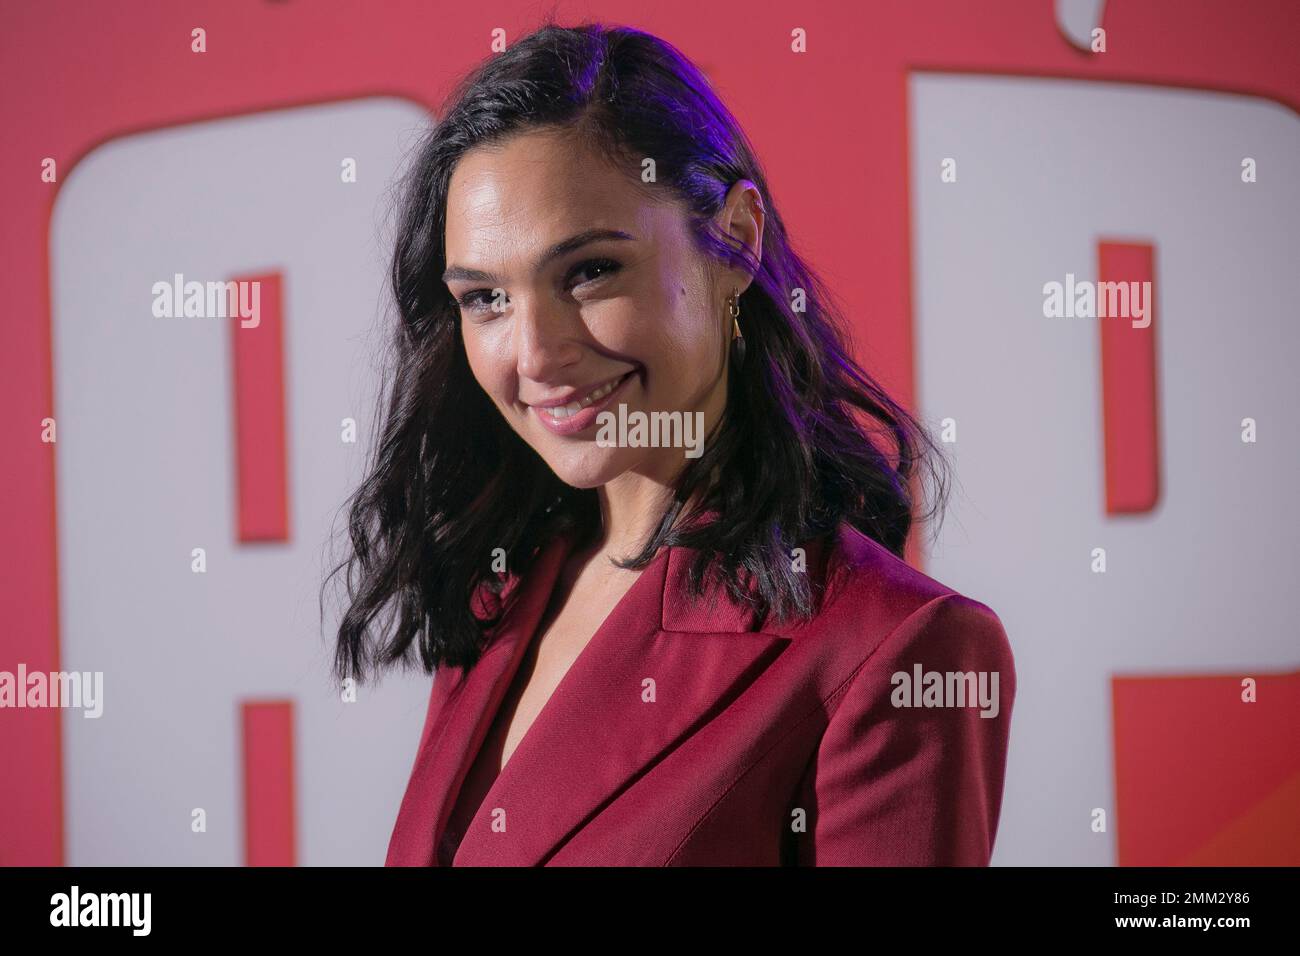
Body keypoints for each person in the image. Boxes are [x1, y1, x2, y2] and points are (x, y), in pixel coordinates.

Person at [327, 20, 1015, 866]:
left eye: (588, 272)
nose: (536, 355)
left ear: (735, 239)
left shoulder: (900, 650)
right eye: (485, 299)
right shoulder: (502, 591)